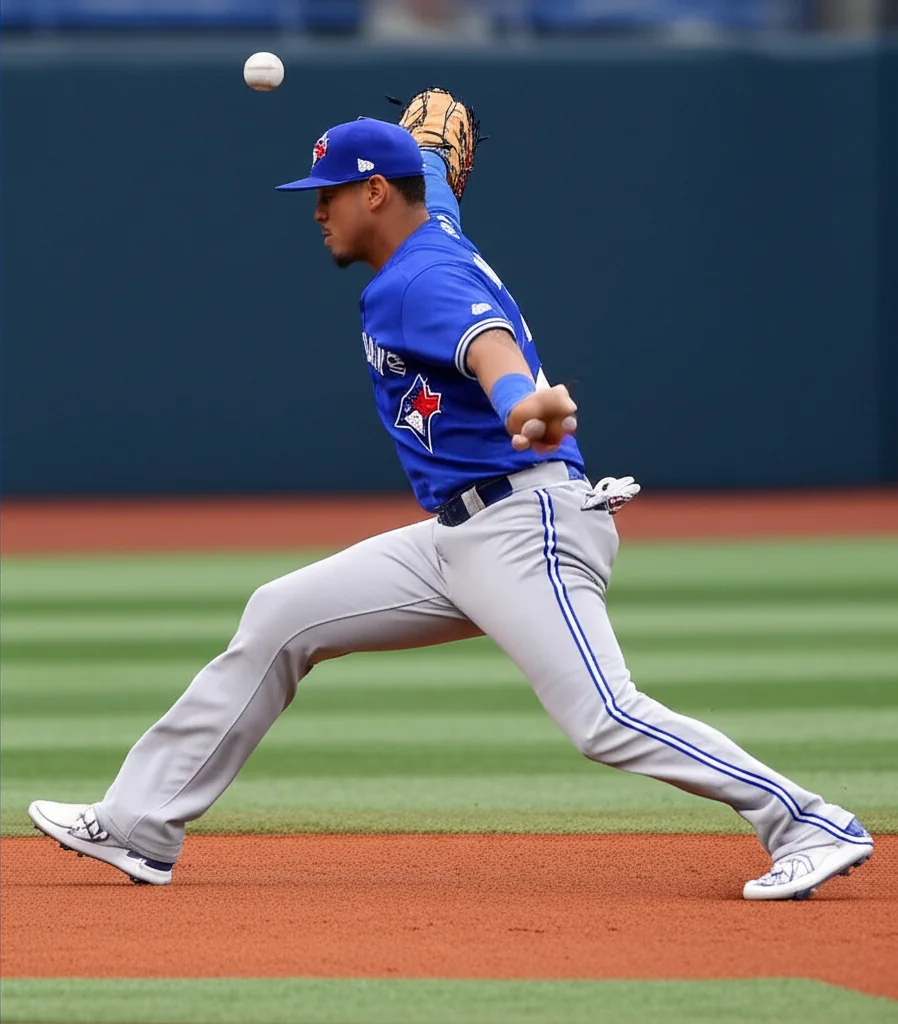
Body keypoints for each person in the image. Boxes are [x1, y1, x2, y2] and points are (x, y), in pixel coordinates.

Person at [29, 88, 872, 900]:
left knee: (603, 716)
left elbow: (491, 347)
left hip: (526, 522)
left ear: (372, 193)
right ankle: (141, 824)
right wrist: (423, 148)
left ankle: (808, 824)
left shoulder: (419, 279)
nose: (316, 211)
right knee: (281, 614)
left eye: (329, 194)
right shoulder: (421, 221)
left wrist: (523, 404)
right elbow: (422, 173)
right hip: (459, 536)